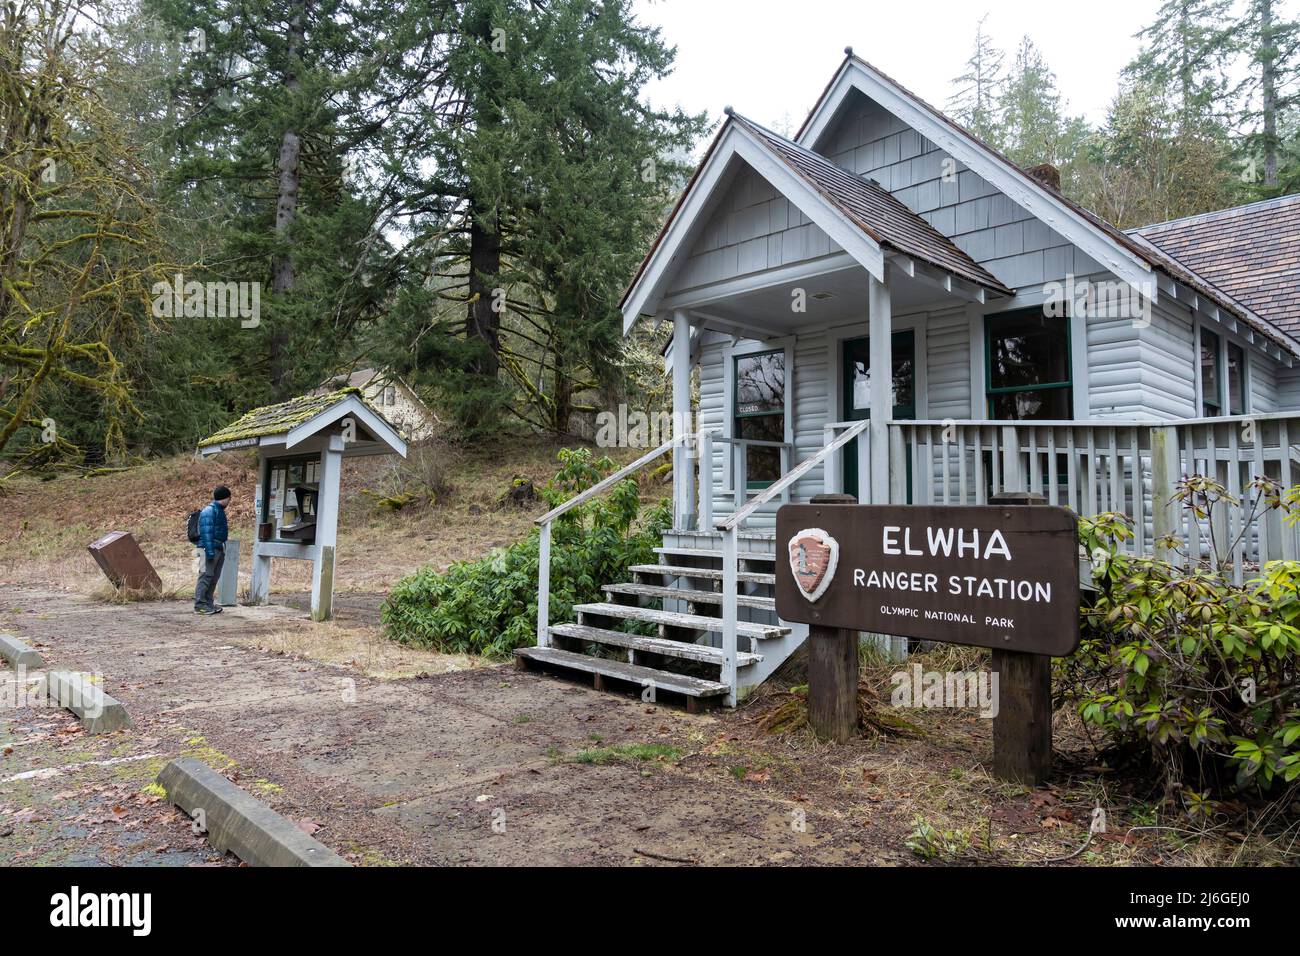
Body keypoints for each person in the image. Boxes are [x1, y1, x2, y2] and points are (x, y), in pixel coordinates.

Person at [195, 485, 231, 614]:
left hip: (217, 548)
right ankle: (199, 605)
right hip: (207, 549)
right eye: (228, 498)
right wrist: (210, 551)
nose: (229, 501)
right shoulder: (209, 511)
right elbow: (206, 533)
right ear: (225, 498)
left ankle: (208, 603)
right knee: (205, 577)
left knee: (213, 577)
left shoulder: (219, 510)